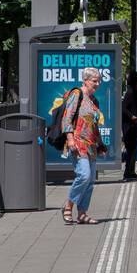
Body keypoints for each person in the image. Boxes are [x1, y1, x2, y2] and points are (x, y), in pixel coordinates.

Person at [60, 67, 107, 224]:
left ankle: (82, 213)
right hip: (78, 142)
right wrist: (70, 138)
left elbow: (94, 125)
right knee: (84, 175)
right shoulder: (76, 94)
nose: (98, 84)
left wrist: (100, 144)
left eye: (99, 81)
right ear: (85, 81)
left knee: (90, 180)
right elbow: (67, 118)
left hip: (91, 144)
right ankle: (68, 205)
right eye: (95, 81)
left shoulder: (94, 101)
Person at [121, 71, 137, 180]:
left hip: (136, 124)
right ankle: (128, 173)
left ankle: (131, 171)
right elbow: (123, 108)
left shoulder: (136, 91)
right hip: (129, 125)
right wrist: (132, 117)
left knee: (134, 149)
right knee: (131, 149)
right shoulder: (130, 92)